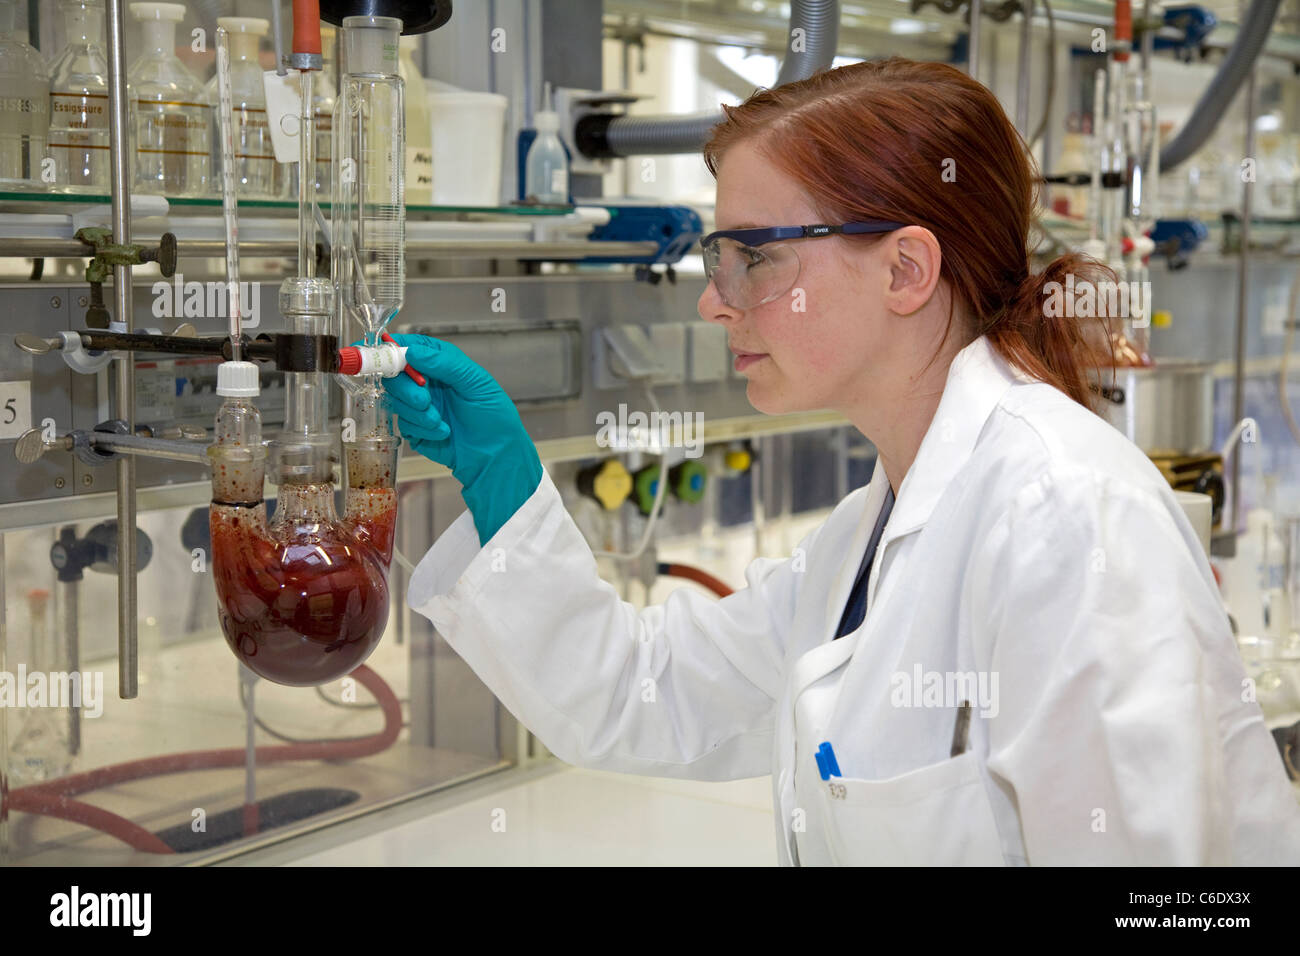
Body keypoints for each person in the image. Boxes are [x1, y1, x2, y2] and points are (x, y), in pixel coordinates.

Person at [382, 57, 1300, 865]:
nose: (715, 302)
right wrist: (503, 487)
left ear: (906, 270)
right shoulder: (876, 527)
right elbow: (643, 697)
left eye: (752, 257)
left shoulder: (1064, 514)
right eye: (717, 257)